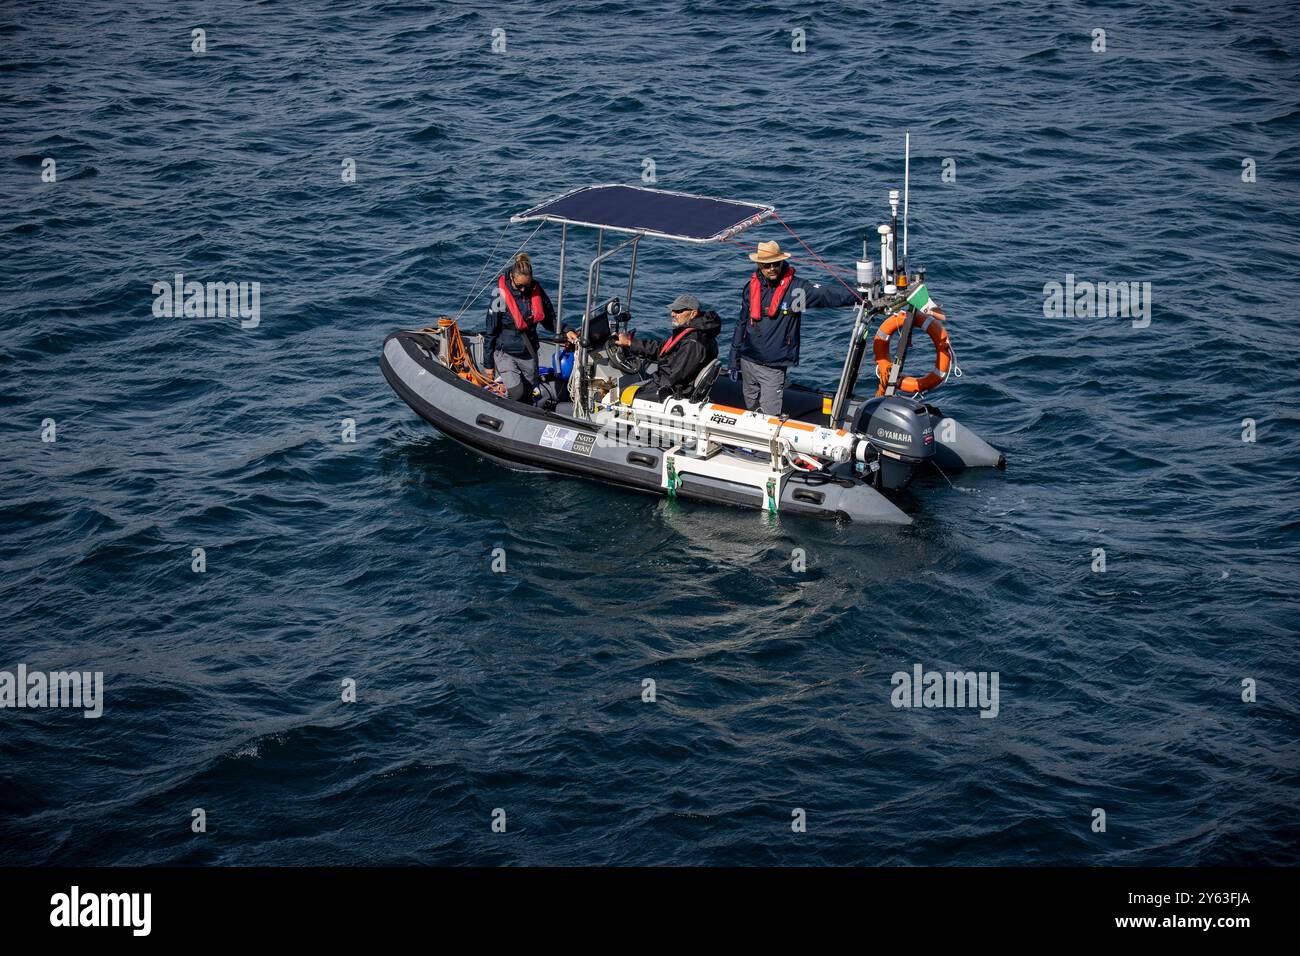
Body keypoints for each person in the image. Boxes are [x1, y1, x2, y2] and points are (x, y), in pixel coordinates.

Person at [727, 240, 859, 415]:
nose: (772, 268)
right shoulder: (750, 288)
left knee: (769, 414)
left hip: (773, 365)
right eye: (767, 265)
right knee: (750, 404)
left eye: (776, 263)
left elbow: (826, 295)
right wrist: (733, 359)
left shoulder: (796, 290)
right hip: (748, 359)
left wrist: (858, 296)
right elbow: (741, 324)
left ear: (782, 262)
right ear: (759, 265)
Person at [484, 253, 573, 402]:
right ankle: (503, 389)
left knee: (529, 394)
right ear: (512, 278)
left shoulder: (537, 291)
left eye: (527, 285)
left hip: (528, 352)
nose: (523, 290)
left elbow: (549, 320)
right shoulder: (499, 295)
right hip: (505, 353)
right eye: (519, 286)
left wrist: (566, 330)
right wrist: (488, 364)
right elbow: (491, 330)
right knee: (518, 393)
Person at [614, 294, 721, 400]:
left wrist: (647, 385)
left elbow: (673, 377)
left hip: (675, 392)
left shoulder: (692, 343)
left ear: (693, 313)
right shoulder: (694, 331)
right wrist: (630, 343)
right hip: (674, 384)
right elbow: (662, 348)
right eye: (673, 310)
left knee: (619, 395)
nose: (672, 314)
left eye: (678, 311)